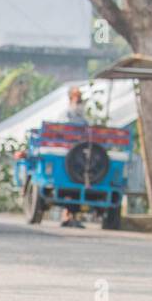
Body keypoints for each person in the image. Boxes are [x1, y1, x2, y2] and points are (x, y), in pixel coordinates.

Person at [62, 86, 87, 228]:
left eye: (79, 96)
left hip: (79, 154)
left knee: (78, 185)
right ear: (71, 97)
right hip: (67, 151)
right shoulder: (67, 113)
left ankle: (73, 217)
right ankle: (67, 216)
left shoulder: (82, 114)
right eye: (75, 96)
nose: (78, 98)